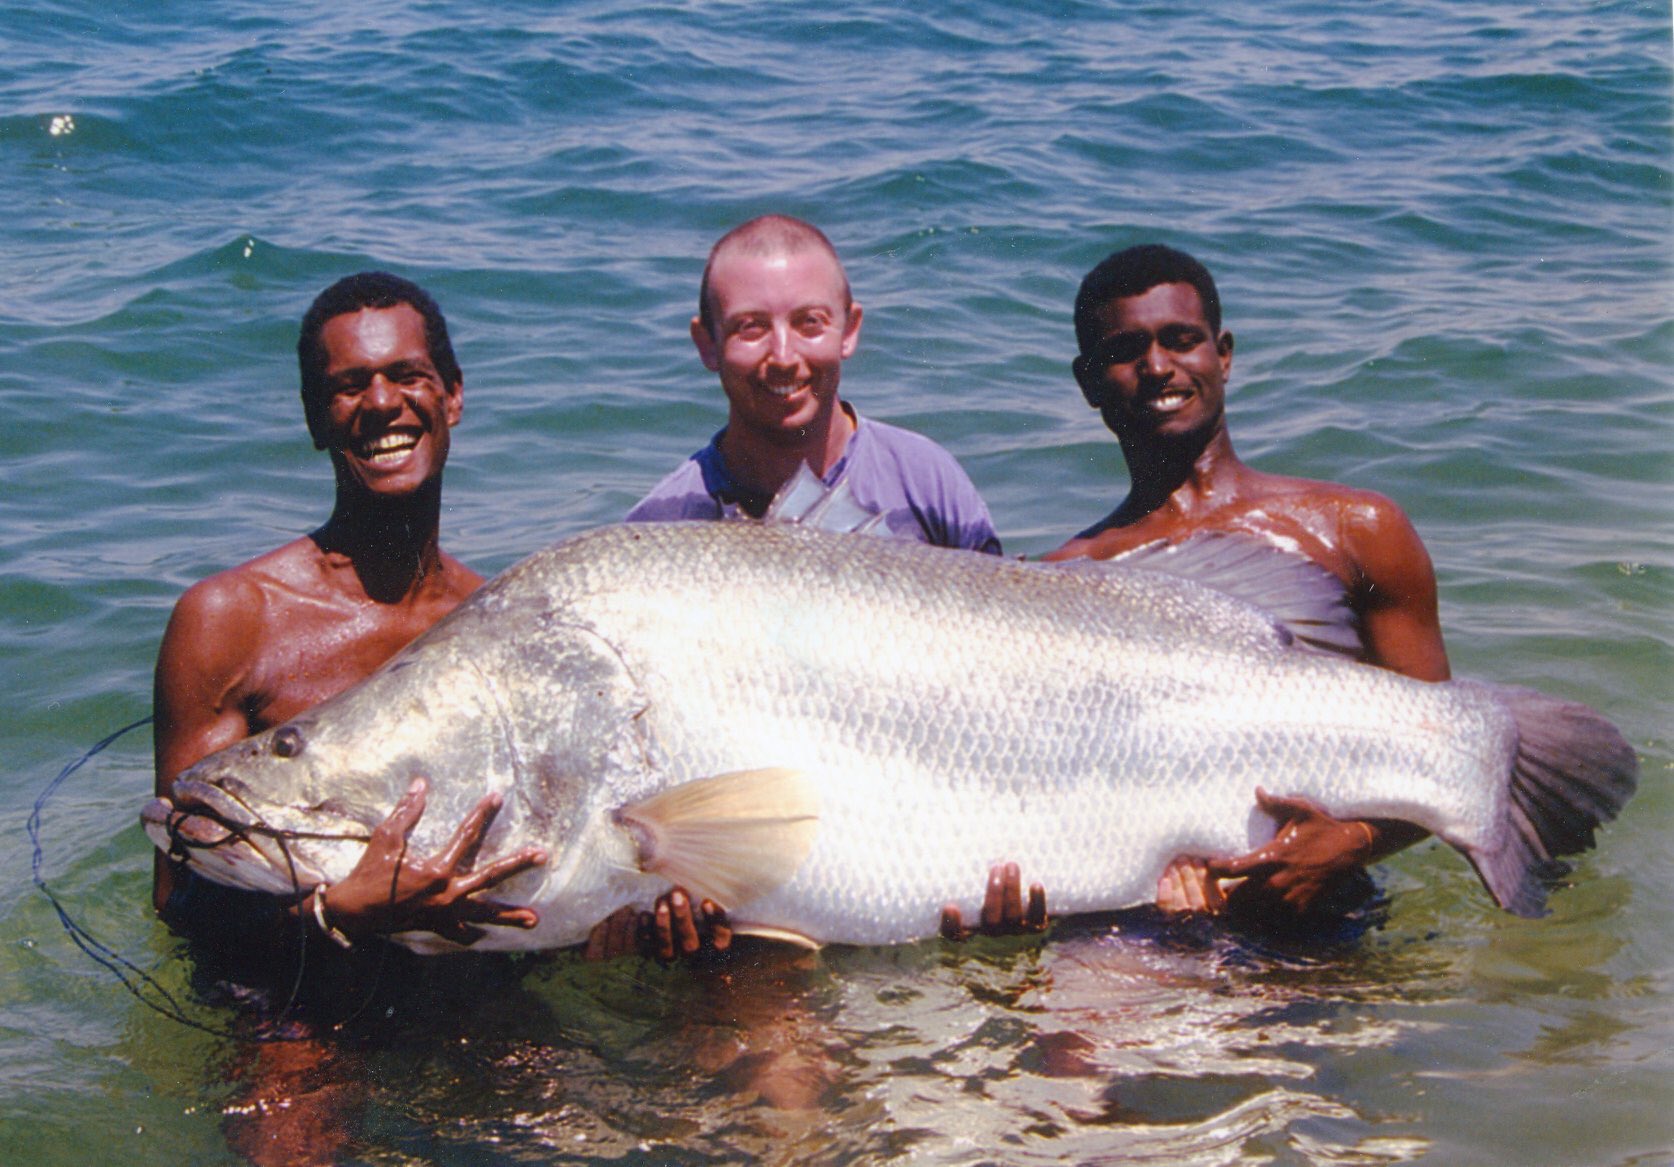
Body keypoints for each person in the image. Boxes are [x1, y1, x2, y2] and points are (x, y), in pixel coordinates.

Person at [1044, 243, 1451, 921]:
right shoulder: (1065, 579)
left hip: (1328, 919)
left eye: (1181, 340)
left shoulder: (1357, 529)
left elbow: (1443, 754)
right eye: (1125, 349)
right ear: (1088, 381)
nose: (1157, 366)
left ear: (1223, 354)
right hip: (1149, 923)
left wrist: (1347, 842)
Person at [153, 270, 545, 946]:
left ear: (452, 397)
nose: (382, 402)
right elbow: (179, 897)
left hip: (475, 985)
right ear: (314, 418)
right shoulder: (230, 620)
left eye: (408, 374)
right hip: (300, 1008)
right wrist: (334, 913)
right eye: (349, 384)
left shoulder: (502, 622)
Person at [625, 213, 1001, 554]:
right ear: (707, 345)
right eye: (750, 327)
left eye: (810, 322)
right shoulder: (660, 527)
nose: (784, 357)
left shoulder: (925, 479)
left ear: (849, 331)